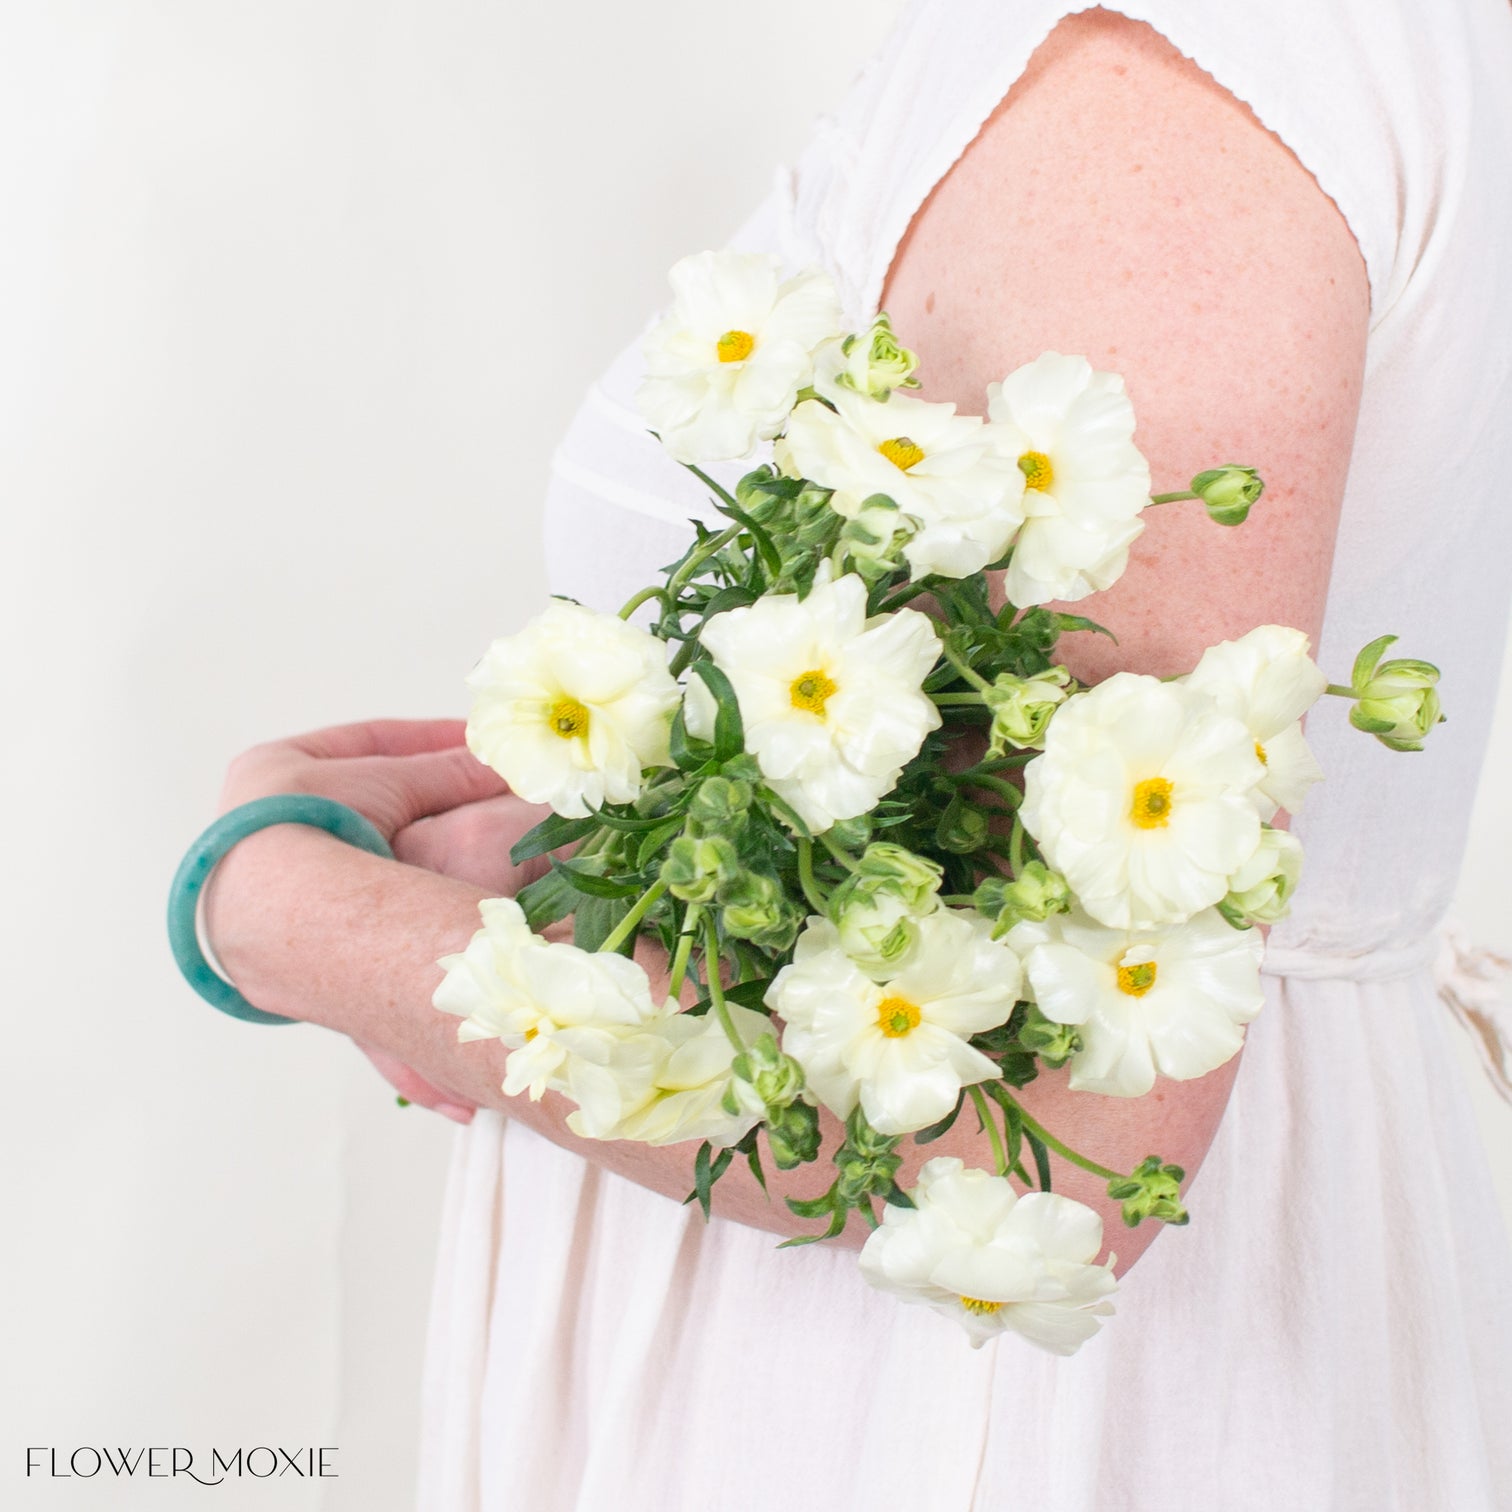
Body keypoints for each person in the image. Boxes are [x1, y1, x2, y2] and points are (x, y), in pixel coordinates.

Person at [204, 3, 1512, 1506]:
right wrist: (587, 846)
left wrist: (281, 916)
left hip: (939, 1414)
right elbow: (960, 822)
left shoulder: (1154, 84)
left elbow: (1051, 1150)